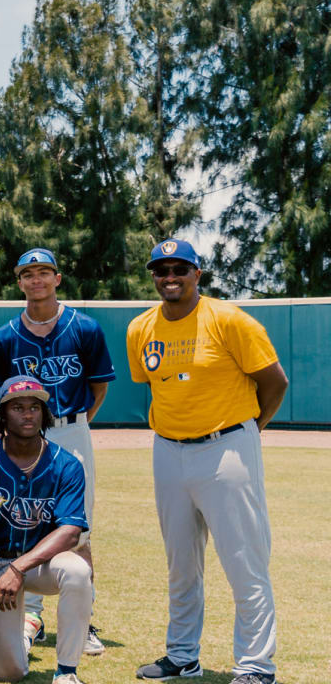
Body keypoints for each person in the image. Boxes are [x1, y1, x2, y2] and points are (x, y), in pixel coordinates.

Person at [128, 238, 287, 684]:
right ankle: (183, 656)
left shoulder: (229, 320)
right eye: (161, 270)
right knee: (181, 562)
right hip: (168, 449)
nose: (170, 277)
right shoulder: (140, 328)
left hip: (226, 447)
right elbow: (155, 383)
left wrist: (249, 430)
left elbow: (275, 382)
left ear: (197, 274)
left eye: (180, 269)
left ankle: (256, 666)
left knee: (244, 560)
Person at [0, 247, 113, 653]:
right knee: (26, 520)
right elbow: (4, 397)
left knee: (78, 531)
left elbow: (98, 387)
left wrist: (74, 425)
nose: (36, 279)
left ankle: (83, 621)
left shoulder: (85, 328)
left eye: (44, 272)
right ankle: (31, 618)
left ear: (57, 279)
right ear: (19, 282)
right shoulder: (5, 337)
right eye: (28, 274)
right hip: (23, 437)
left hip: (71, 429)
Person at [0, 375, 92, 684]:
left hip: (42, 563)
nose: (28, 414)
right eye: (17, 407)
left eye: (35, 407)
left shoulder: (66, 464)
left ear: (44, 414)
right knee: (10, 673)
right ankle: (21, 636)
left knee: (77, 572)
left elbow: (71, 531)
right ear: (2, 415)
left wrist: (18, 568)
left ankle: (66, 671)